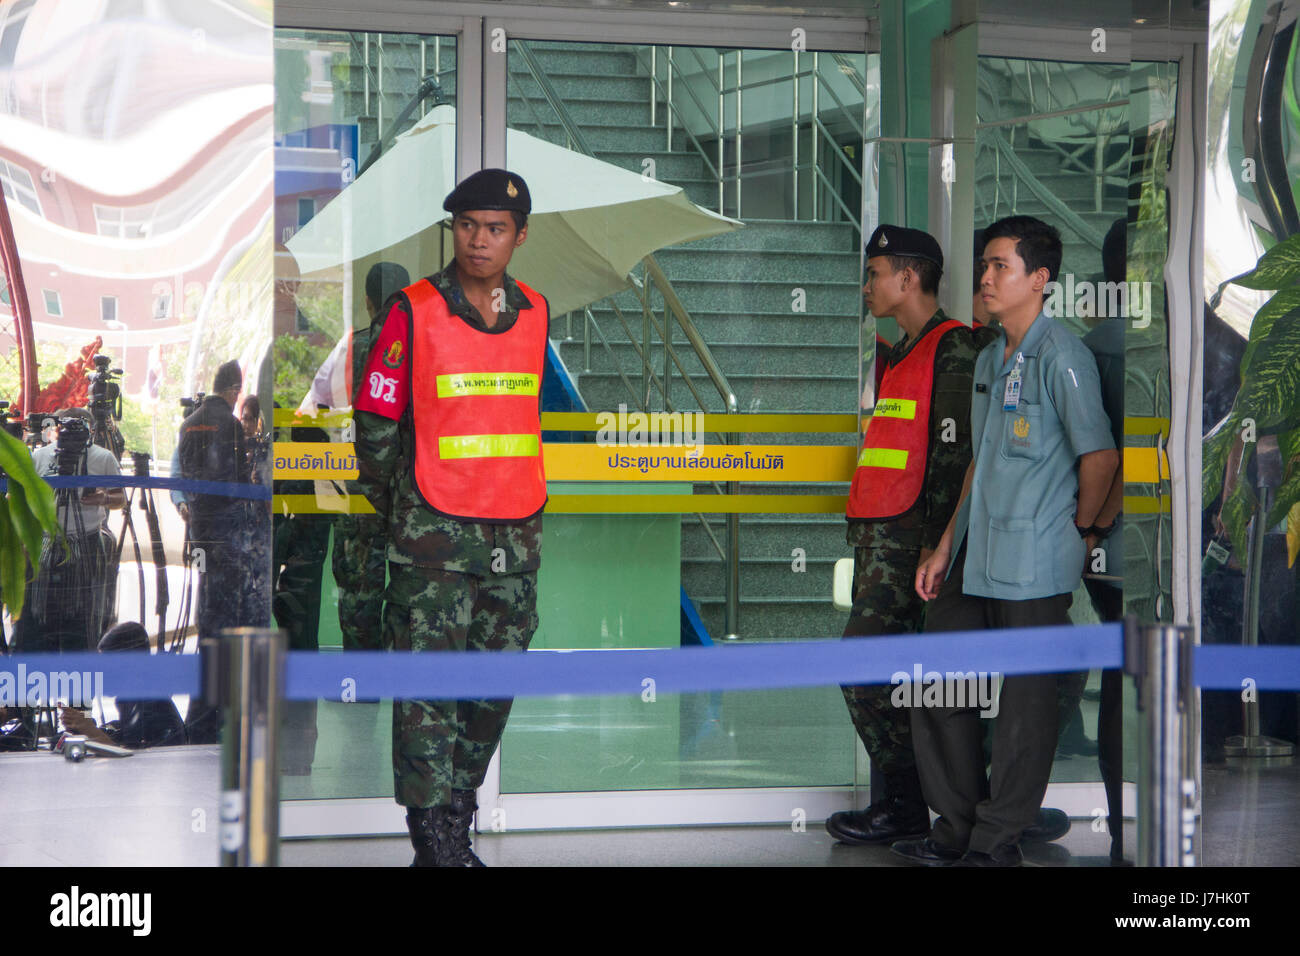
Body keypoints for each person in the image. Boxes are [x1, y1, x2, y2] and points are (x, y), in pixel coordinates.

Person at [897, 215, 1119, 867]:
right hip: (978, 557)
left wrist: (1083, 533)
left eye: (1001, 266)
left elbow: (1100, 459)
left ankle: (997, 841)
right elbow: (979, 460)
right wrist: (944, 547)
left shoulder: (1063, 356)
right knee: (937, 680)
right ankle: (960, 826)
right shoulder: (992, 356)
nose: (987, 277)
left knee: (1025, 711)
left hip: (1036, 561)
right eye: (986, 265)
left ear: (1039, 280)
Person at [353, 168, 548, 867]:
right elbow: (374, 429)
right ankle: (433, 837)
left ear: (519, 237)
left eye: (495, 228)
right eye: (466, 225)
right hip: (433, 536)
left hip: (515, 536)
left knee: (492, 688)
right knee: (428, 691)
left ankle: (459, 811)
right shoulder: (410, 311)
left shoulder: (537, 312)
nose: (478, 240)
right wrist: (404, 506)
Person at [825, 224, 987, 846]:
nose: (867, 286)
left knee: (862, 665)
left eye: (874, 273)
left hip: (912, 548)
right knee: (885, 673)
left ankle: (910, 803)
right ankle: (906, 804)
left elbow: (954, 457)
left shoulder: (953, 348)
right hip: (881, 543)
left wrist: (935, 547)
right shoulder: (899, 351)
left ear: (908, 278)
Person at [178, 360, 270, 741]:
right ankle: (217, 714)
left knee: (207, 605)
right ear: (234, 390)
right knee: (227, 611)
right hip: (227, 536)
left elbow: (187, 478)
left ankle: (203, 710)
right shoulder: (230, 426)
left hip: (199, 532)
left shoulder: (188, 423)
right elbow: (234, 486)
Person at [333, 262, 409, 651]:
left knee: (359, 586)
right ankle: (400, 679)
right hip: (414, 495)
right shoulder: (427, 347)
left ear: (367, 302)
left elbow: (321, 416)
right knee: (409, 587)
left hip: (358, 491)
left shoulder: (350, 350)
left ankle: (360, 682)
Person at [19, 406, 125, 652]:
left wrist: (103, 497)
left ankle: (81, 668)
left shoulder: (104, 457)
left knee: (84, 615)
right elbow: (25, 500)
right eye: (65, 427)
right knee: (38, 612)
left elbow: (121, 498)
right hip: (46, 542)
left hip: (86, 541)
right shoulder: (40, 457)